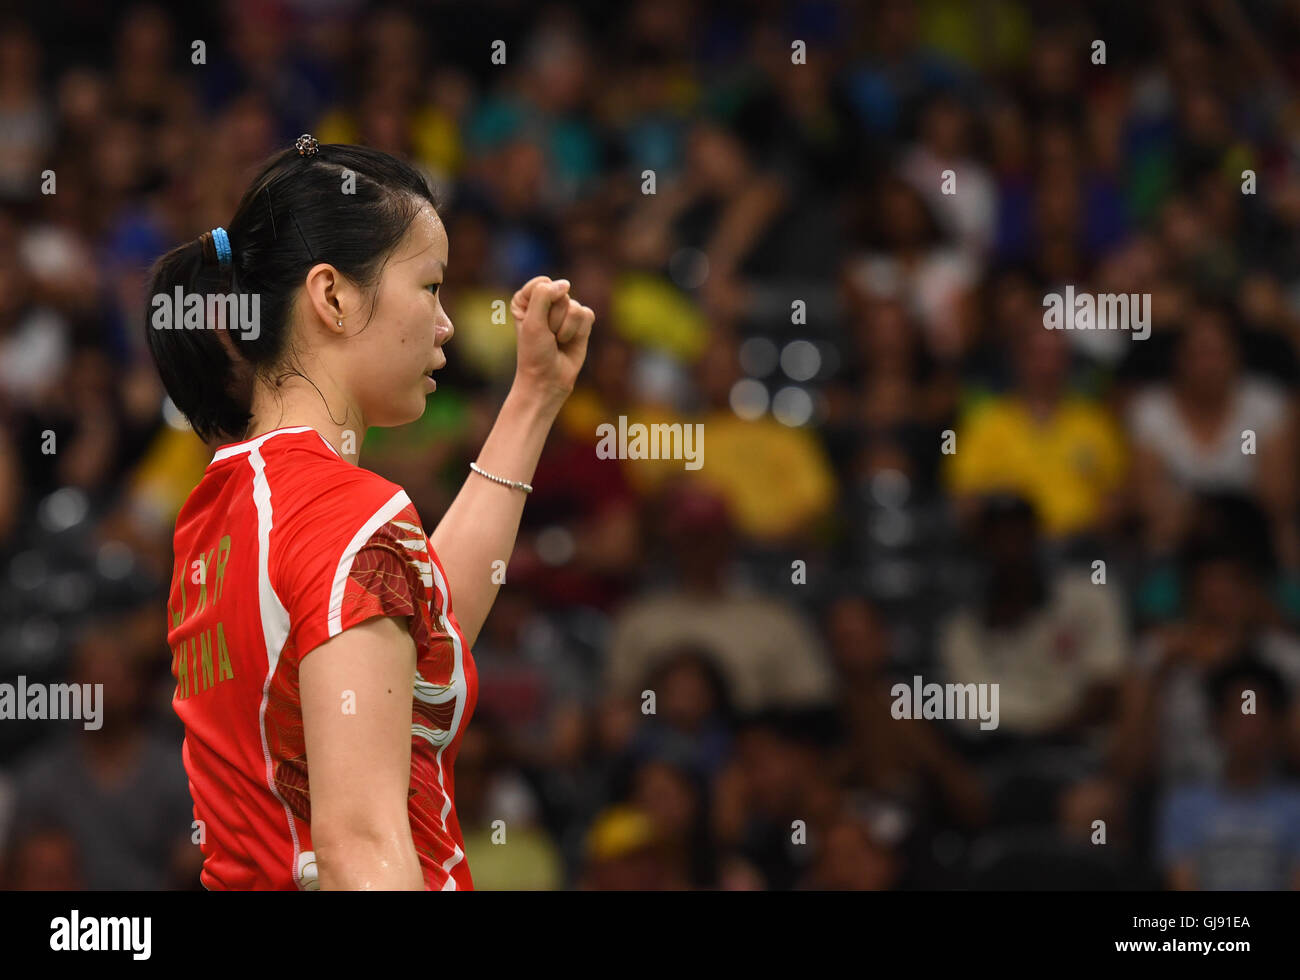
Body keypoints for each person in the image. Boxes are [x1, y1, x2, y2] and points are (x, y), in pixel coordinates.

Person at [143, 136, 594, 890]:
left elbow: (415, 633)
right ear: (334, 297)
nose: (446, 324)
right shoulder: (345, 511)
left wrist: (533, 399)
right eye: (429, 287)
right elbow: (360, 848)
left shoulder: (221, 507)